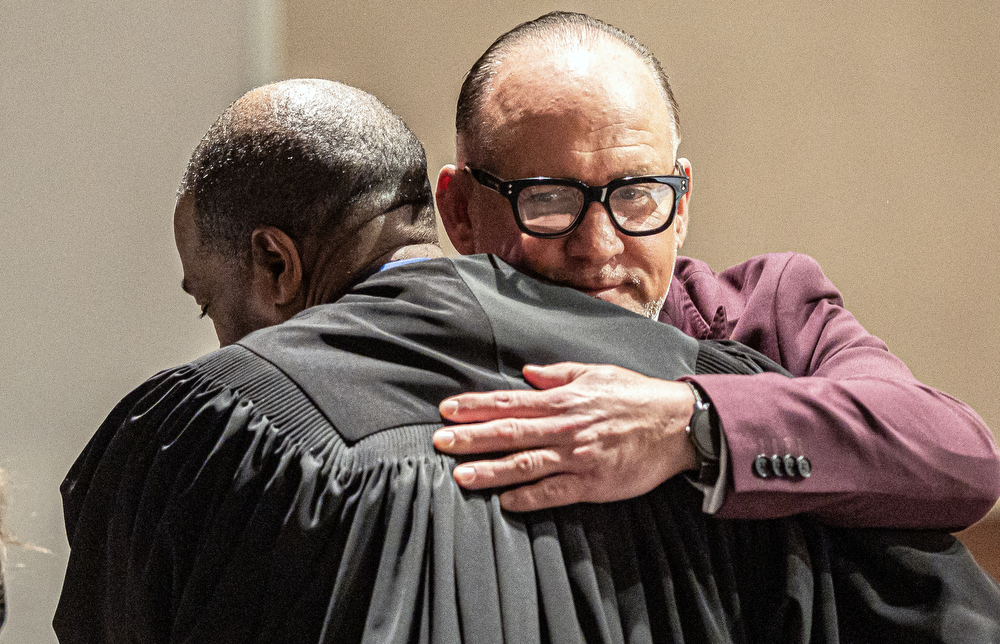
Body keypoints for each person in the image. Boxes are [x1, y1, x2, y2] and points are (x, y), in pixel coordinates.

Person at [434, 11, 1000, 529]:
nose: (601, 246)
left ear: (679, 208)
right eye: (550, 199)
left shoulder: (766, 314)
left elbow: (959, 456)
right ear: (460, 212)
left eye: (636, 195)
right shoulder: (423, 359)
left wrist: (691, 426)